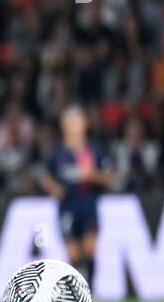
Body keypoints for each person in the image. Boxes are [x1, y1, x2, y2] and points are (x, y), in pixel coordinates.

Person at [39, 106, 114, 282]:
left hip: (88, 203)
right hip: (67, 205)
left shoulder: (94, 150)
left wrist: (92, 174)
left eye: (78, 122)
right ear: (64, 126)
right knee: (73, 254)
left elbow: (109, 177)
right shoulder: (57, 152)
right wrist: (53, 188)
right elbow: (43, 174)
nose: (75, 127)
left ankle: (91, 290)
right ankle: (77, 291)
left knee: (90, 248)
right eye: (72, 123)